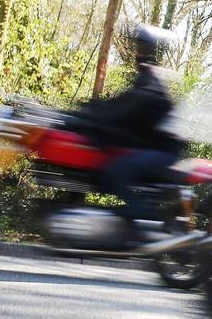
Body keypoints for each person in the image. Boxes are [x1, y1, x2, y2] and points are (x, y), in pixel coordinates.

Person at [78, 25, 184, 246]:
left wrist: (93, 114)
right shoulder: (147, 78)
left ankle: (144, 221)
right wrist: (90, 111)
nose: (138, 52)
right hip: (154, 149)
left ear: (151, 50)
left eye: (142, 47)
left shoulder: (151, 82)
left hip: (164, 154)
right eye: (138, 47)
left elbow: (126, 109)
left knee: (114, 172)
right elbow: (124, 106)